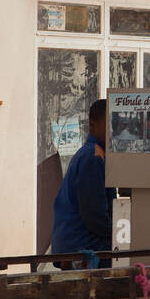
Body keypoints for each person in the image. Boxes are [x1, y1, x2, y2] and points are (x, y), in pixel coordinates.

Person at [50, 99, 115, 267]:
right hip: (82, 246)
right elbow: (94, 214)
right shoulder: (93, 157)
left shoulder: (95, 154)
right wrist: (118, 236)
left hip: (73, 244)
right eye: (109, 123)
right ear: (93, 125)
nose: (114, 130)